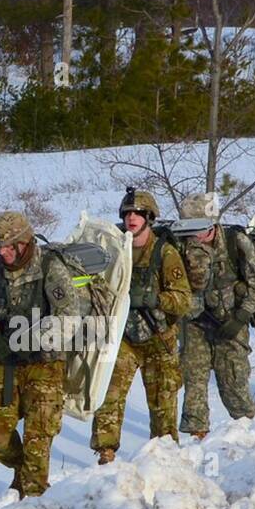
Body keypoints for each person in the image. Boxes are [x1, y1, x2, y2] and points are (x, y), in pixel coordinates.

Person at [0, 211, 81, 497]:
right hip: (6, 361)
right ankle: (23, 469)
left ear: (24, 242)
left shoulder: (49, 265)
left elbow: (68, 317)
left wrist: (31, 341)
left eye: (8, 247)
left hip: (44, 362)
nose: (3, 253)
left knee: (38, 436)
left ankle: (33, 501)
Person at [91, 189, 192, 463]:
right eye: (127, 213)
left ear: (149, 217)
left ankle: (165, 457)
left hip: (159, 338)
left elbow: (184, 299)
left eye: (137, 213)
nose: (131, 218)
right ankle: (105, 452)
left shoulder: (164, 252)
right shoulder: (114, 249)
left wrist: (152, 298)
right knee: (108, 394)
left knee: (164, 403)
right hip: (123, 337)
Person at [176, 192, 255, 439]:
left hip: (230, 322)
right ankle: (196, 438)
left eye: (201, 230)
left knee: (233, 381)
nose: (196, 237)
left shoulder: (235, 242)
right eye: (190, 230)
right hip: (194, 323)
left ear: (213, 225)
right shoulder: (178, 245)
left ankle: (249, 436)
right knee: (194, 379)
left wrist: (241, 317)